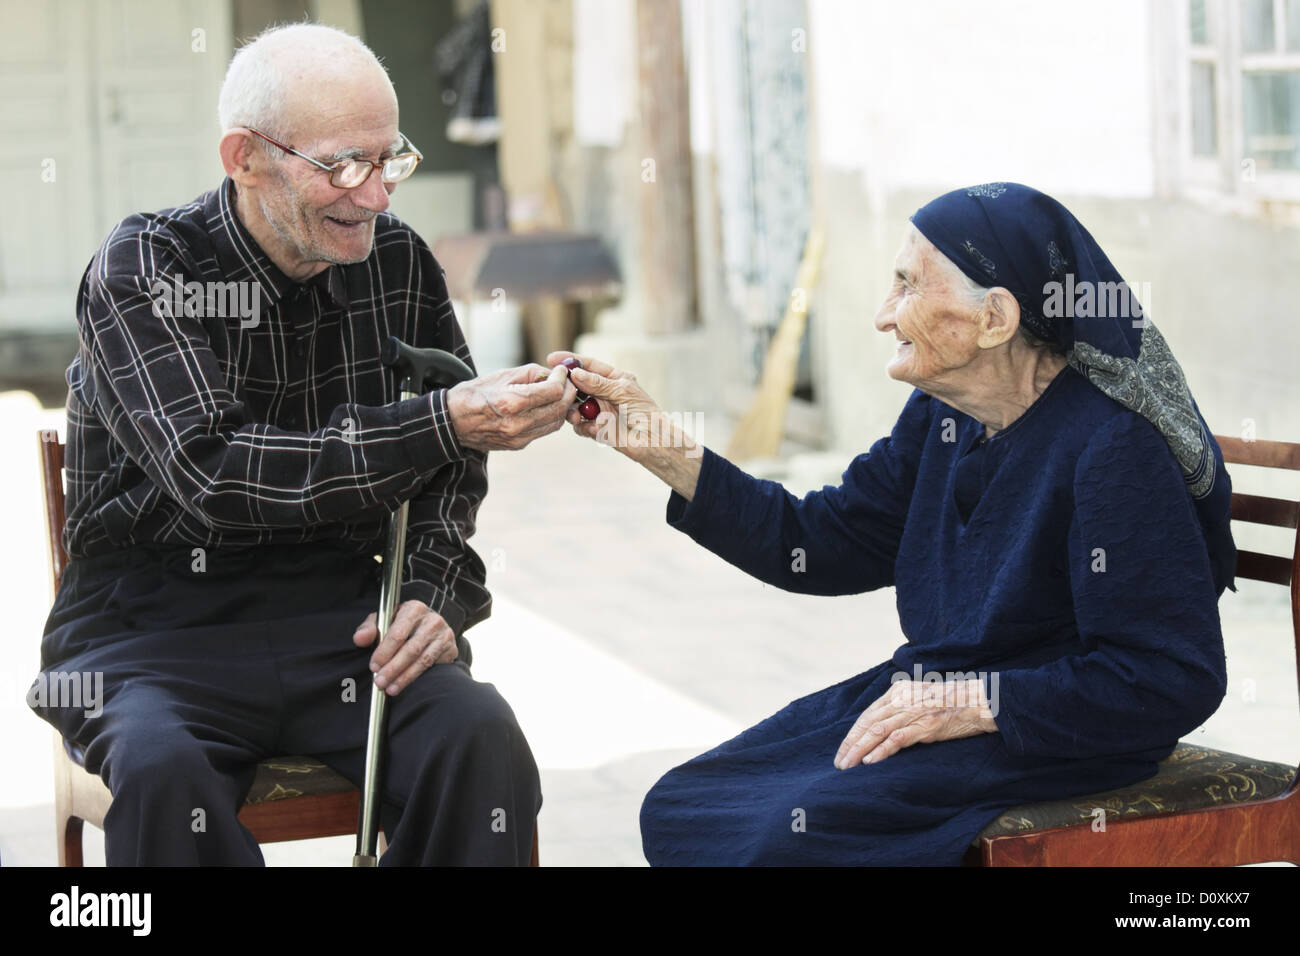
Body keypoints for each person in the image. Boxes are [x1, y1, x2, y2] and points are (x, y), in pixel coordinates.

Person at [552, 182, 1236, 865]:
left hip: (1051, 733)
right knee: (688, 801)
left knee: (784, 842)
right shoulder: (942, 418)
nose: (884, 315)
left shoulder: (1113, 447)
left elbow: (1169, 677)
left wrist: (977, 703)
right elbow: (818, 544)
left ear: (995, 318)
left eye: (907, 286)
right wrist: (656, 443)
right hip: (936, 698)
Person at [28, 23, 576, 866]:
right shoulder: (147, 265)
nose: (377, 195)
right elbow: (214, 471)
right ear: (245, 156)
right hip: (149, 635)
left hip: (345, 622)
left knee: (480, 737)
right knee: (161, 770)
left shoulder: (395, 260)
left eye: (389, 158)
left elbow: (451, 469)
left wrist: (429, 593)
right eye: (342, 164)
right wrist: (443, 421)